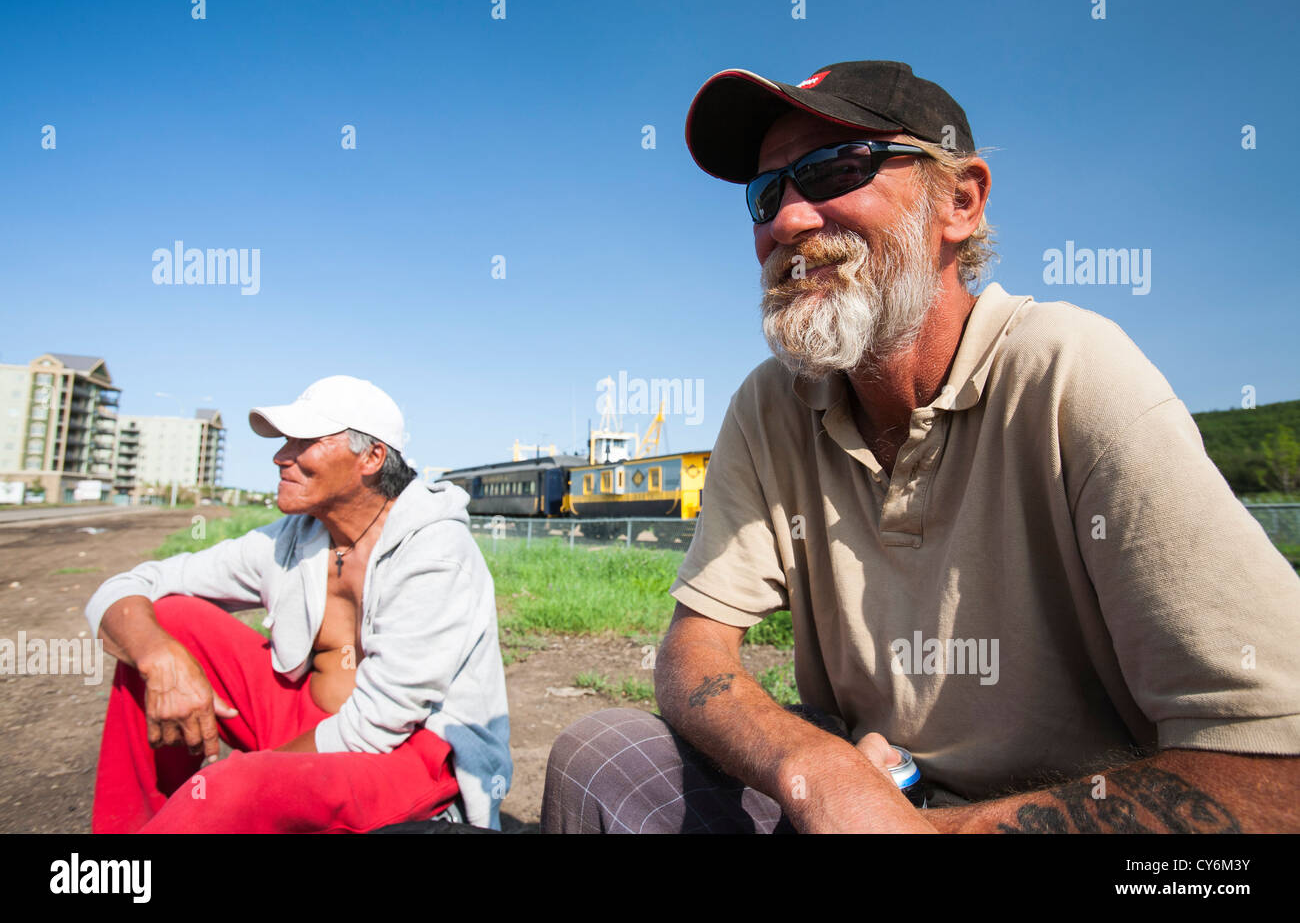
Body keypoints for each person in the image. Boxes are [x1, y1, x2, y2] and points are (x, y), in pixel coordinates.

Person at [542, 60, 1300, 833]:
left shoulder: (1071, 373)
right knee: (603, 759)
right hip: (869, 786)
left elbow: (1279, 769)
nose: (788, 222)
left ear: (960, 202)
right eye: (766, 194)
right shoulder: (773, 404)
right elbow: (693, 654)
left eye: (836, 169)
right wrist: (816, 769)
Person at [87, 375, 511, 832]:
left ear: (371, 457)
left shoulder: (435, 550)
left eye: (303, 441)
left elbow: (379, 724)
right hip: (309, 723)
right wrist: (158, 655)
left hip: (410, 757)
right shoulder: (295, 538)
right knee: (168, 618)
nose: (279, 456)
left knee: (231, 788)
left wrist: (253, 771)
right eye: (286, 440)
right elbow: (132, 586)